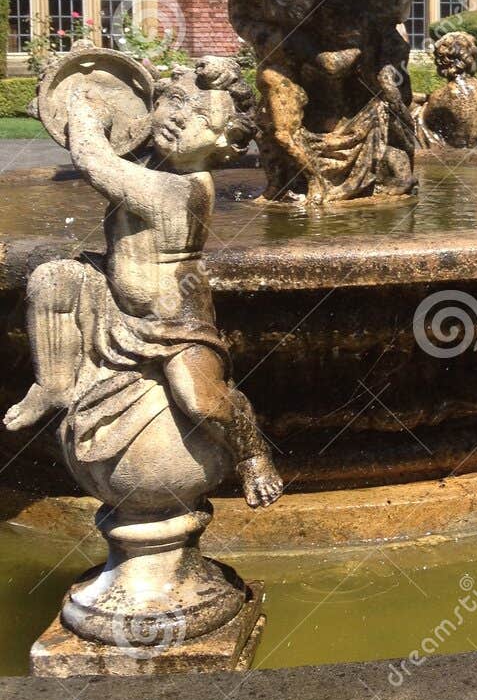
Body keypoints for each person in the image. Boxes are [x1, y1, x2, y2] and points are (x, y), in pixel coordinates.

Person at [4, 62, 283, 508]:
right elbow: (127, 131)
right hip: (114, 298)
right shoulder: (155, 164)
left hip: (173, 321)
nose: (175, 119)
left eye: (196, 118)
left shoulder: (183, 191)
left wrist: (83, 110)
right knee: (52, 278)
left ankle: (252, 452)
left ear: (227, 142)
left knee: (200, 402)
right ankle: (52, 384)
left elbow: (96, 161)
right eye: (172, 103)